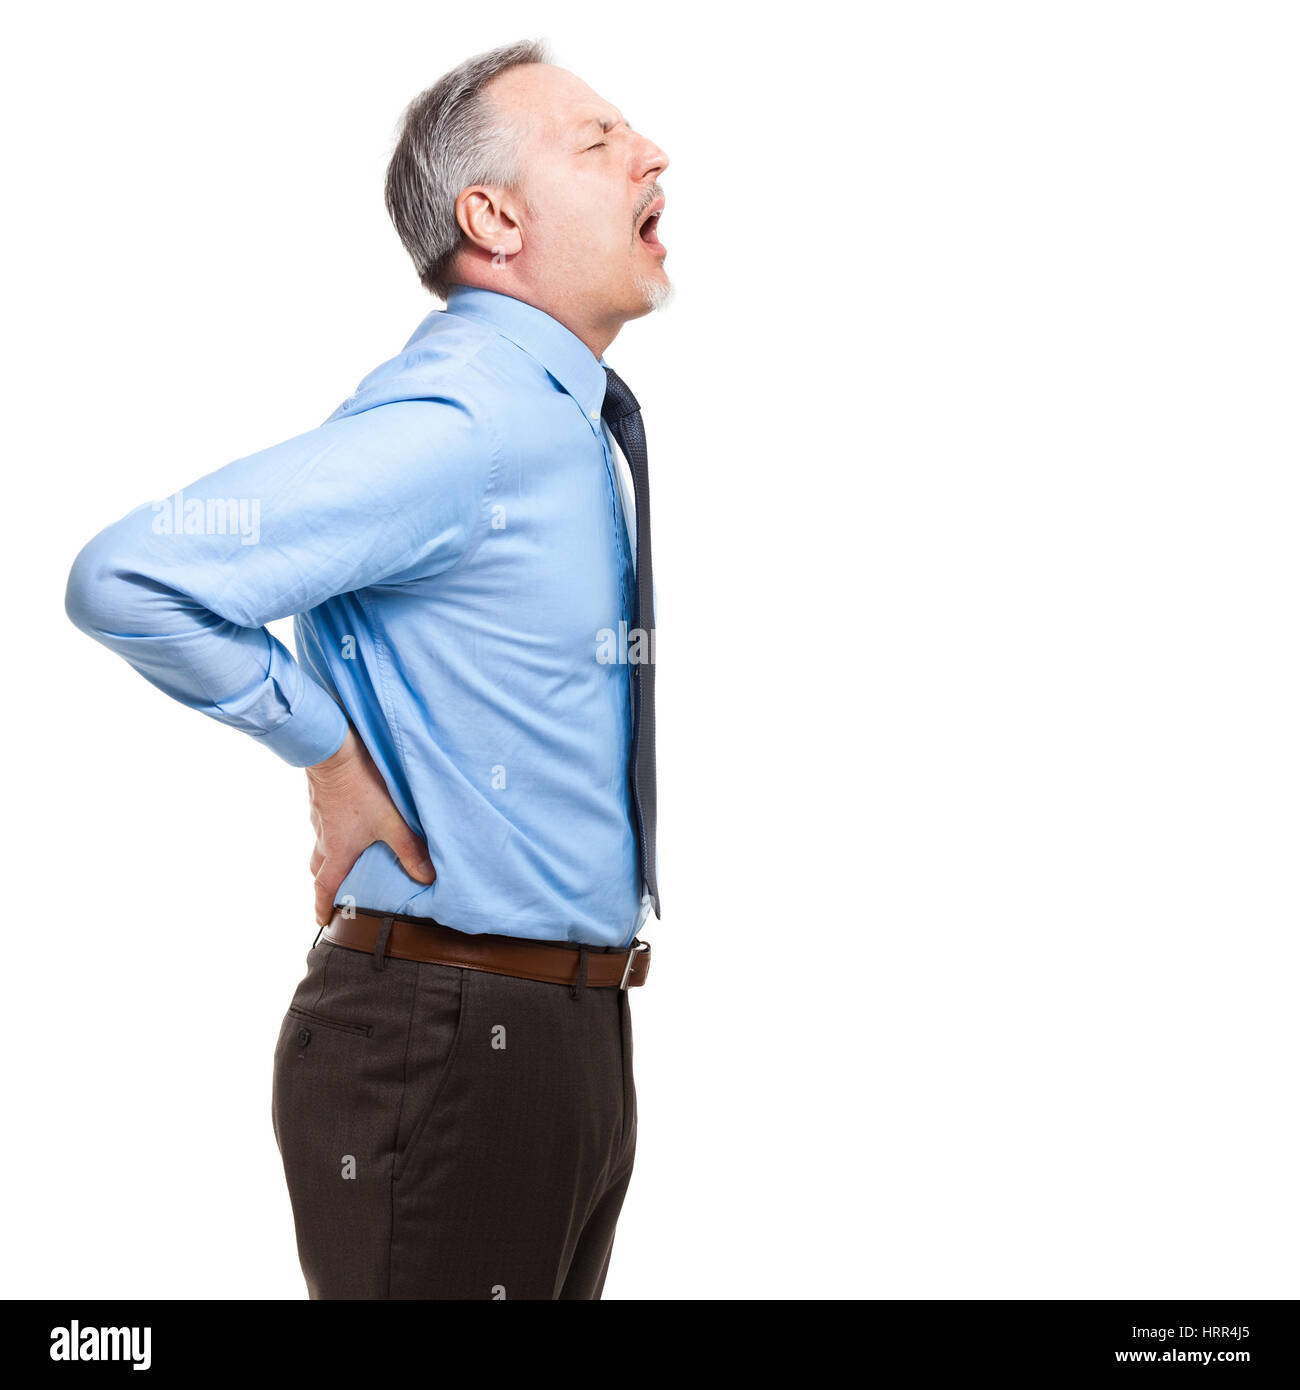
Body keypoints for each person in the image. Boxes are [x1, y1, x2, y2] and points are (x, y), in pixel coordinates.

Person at [64, 38, 670, 1300]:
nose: (650, 156)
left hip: (565, 1036)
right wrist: (325, 752)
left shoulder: (551, 415)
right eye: (598, 141)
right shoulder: (469, 420)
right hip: (448, 1036)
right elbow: (129, 574)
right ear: (493, 217)